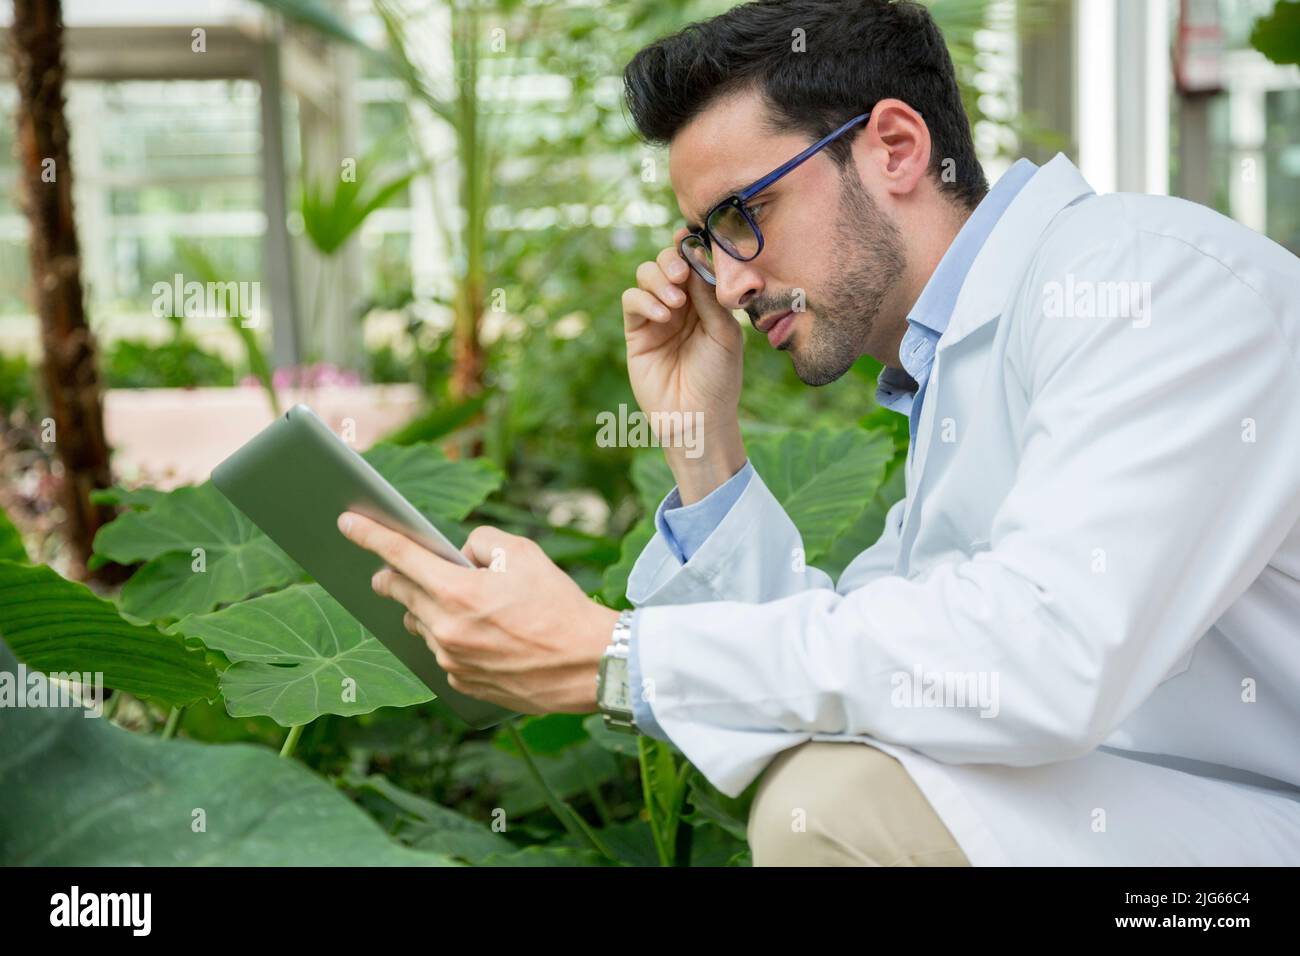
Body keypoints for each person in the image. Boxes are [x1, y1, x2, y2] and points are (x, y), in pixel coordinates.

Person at [340, 0, 1300, 865]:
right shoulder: (953, 365)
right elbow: (843, 675)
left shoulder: (1146, 285)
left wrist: (614, 655)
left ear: (893, 147)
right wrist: (700, 441)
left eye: (744, 213)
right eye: (703, 242)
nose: (730, 281)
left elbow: (1048, 655)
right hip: (1161, 817)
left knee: (831, 804)